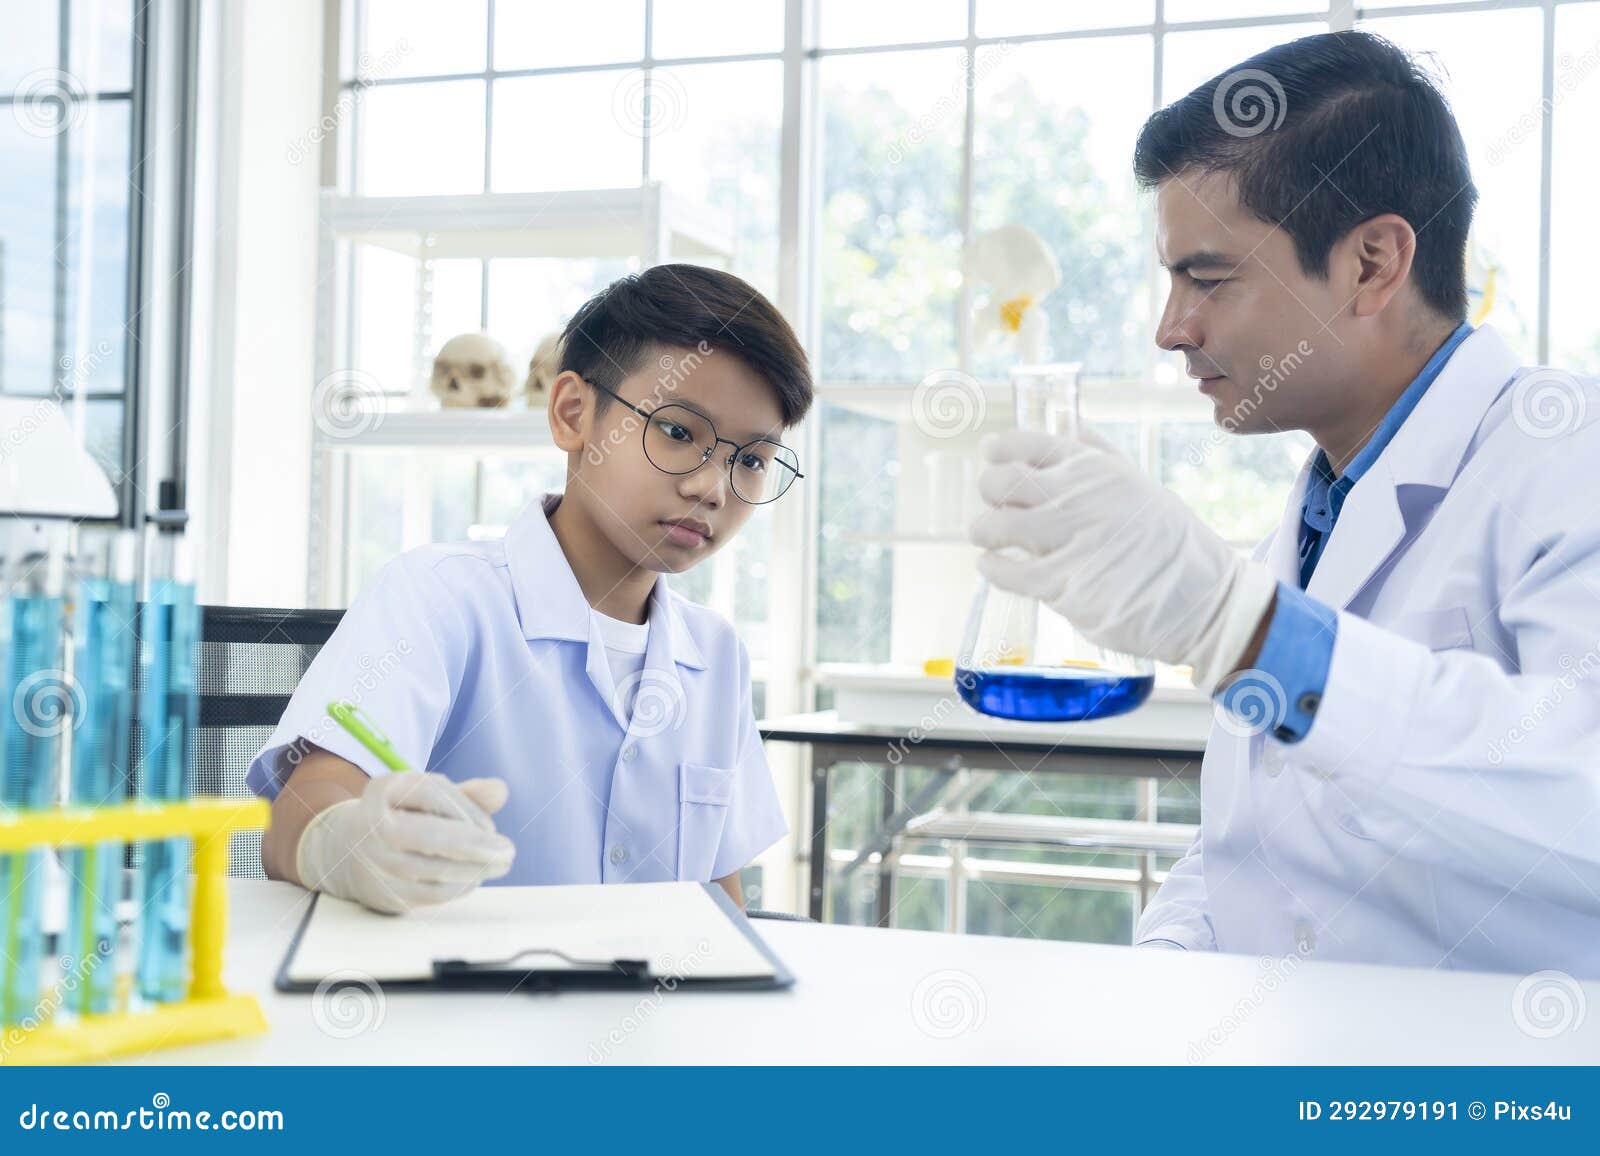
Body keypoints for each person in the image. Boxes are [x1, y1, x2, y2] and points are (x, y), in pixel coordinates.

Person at [971, 31, 1600, 975]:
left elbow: (1579, 802)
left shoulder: (1566, 457)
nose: (1170, 329)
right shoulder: (1312, 520)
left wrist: (1245, 630)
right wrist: (1160, 970)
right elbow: (1253, 847)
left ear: (1373, 264)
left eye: (1208, 277)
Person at [250, 264, 812, 915]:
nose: (712, 488)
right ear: (573, 414)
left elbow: (721, 900)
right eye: (680, 433)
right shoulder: (440, 598)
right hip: (462, 1011)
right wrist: (345, 843)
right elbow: (300, 811)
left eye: (750, 461)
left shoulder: (715, 654)